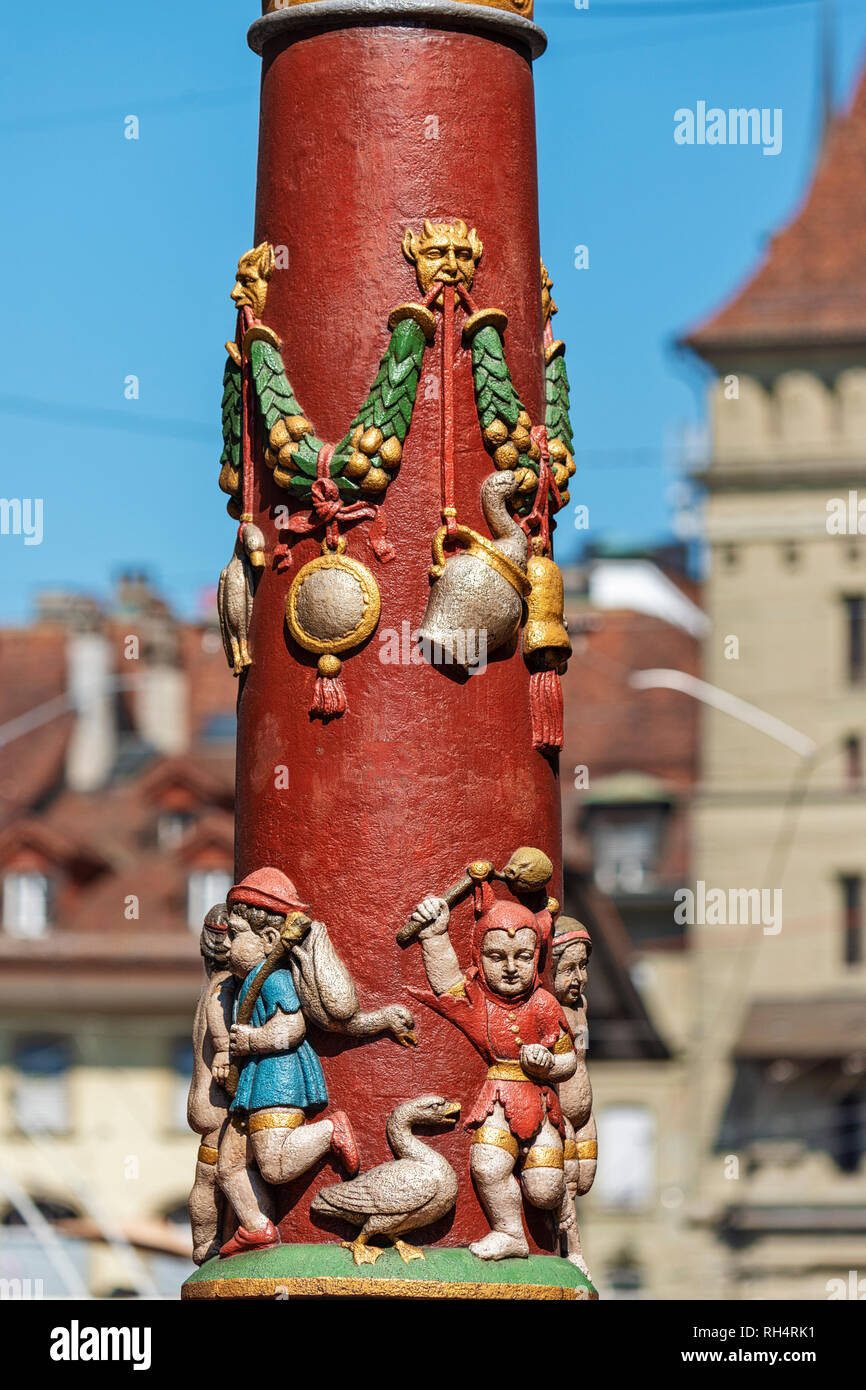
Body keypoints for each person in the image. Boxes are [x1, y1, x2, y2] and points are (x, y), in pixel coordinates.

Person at [407, 887, 577, 1260]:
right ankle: (510, 1232)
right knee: (487, 1165)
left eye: (523, 957)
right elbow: (448, 984)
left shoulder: (544, 1004)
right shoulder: (480, 1002)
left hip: (538, 1101)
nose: (511, 968)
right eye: (497, 957)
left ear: (537, 960)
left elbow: (568, 1061)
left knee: (544, 1188)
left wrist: (549, 1065)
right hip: (499, 1097)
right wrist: (435, 934)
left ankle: (565, 1212)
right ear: (479, 958)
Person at [186, 904, 271, 1264]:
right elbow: (220, 1035)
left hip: (199, 1101)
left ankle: (204, 1242)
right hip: (216, 1102)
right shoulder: (223, 988)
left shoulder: (207, 987)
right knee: (218, 1178)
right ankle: (210, 1246)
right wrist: (226, 1051)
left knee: (205, 1179)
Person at [551, 918, 596, 1278]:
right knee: (565, 1180)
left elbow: (582, 1057)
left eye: (583, 966)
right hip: (559, 1113)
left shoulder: (580, 1005)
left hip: (584, 1114)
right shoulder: (547, 1007)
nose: (578, 977)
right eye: (568, 968)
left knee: (586, 1179)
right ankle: (571, 1250)